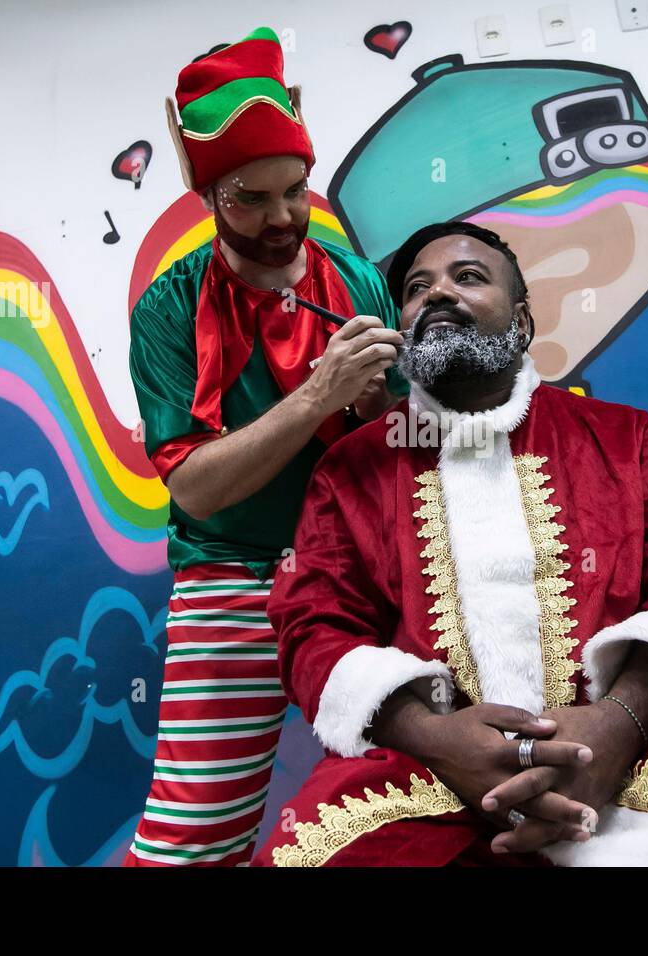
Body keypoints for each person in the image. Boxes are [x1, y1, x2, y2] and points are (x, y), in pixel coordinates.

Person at [250, 221, 648, 866]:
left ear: (521, 322)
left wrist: (617, 726)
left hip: (641, 753)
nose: (439, 293)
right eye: (418, 288)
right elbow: (314, 628)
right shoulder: (352, 467)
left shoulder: (623, 438)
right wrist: (437, 739)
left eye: (468, 277)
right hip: (424, 775)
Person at [123, 26, 405, 866]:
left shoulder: (356, 281)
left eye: (298, 189)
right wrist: (317, 395)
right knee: (192, 841)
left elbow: (393, 460)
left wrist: (377, 407)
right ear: (210, 195)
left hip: (359, 578)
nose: (285, 217)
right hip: (230, 574)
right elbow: (198, 492)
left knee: (398, 816)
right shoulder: (168, 311)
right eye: (254, 196)